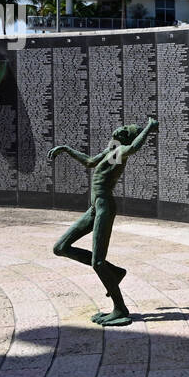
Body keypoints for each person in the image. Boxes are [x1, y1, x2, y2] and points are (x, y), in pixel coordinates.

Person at [49, 118, 159, 326]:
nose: (122, 127)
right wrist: (66, 149)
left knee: (97, 262)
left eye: (127, 129)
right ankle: (115, 272)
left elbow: (134, 147)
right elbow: (90, 162)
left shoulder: (121, 152)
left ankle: (120, 309)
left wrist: (149, 128)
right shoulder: (112, 152)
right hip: (94, 209)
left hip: (104, 208)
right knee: (60, 247)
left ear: (127, 137)